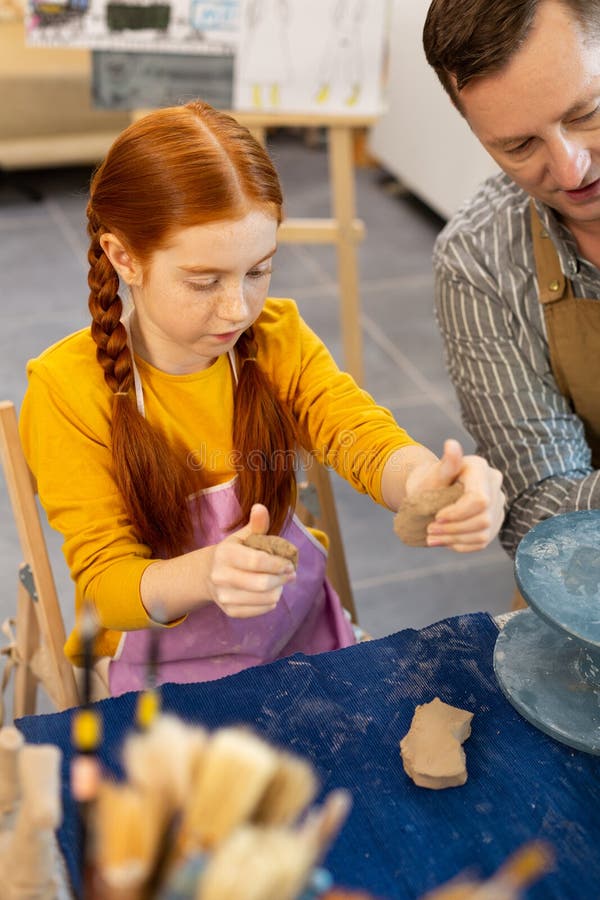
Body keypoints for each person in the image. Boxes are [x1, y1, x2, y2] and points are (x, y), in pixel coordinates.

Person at [19, 101, 504, 697]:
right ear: (124, 258)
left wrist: (431, 483)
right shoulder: (68, 390)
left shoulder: (276, 340)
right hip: (160, 668)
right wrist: (206, 574)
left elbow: (360, 438)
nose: (238, 309)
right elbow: (103, 585)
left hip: (299, 632)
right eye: (204, 281)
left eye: (259, 271)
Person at [423, 0, 600, 559]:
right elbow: (539, 513)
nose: (572, 169)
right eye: (520, 146)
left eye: (587, 112)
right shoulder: (477, 260)